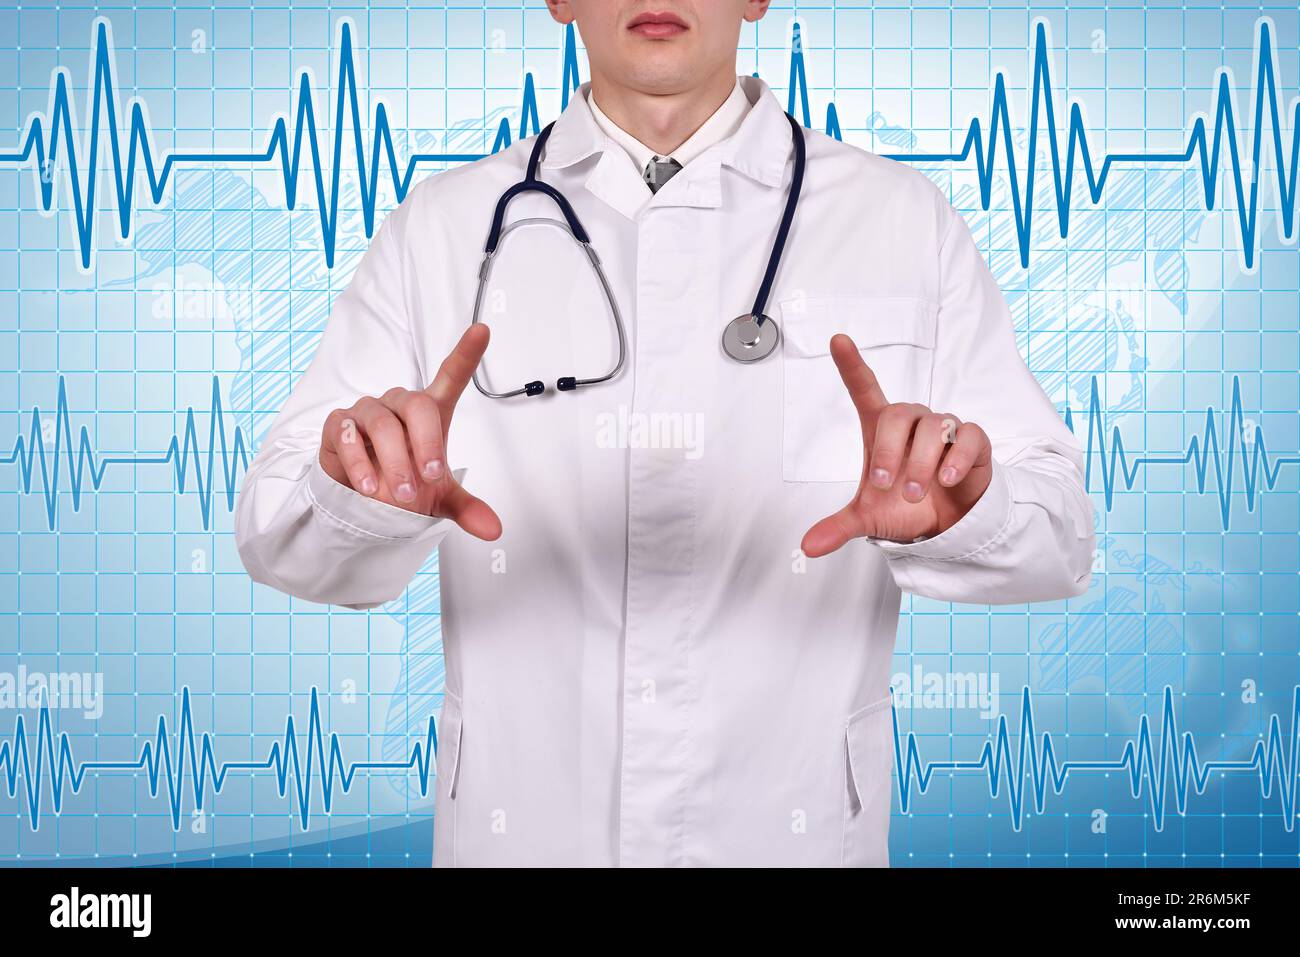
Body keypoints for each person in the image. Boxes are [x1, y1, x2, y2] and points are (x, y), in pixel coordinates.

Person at [234, 0, 1095, 867]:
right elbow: (276, 530)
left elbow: (1059, 533)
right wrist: (362, 493)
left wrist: (964, 508)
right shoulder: (446, 226)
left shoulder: (899, 219)